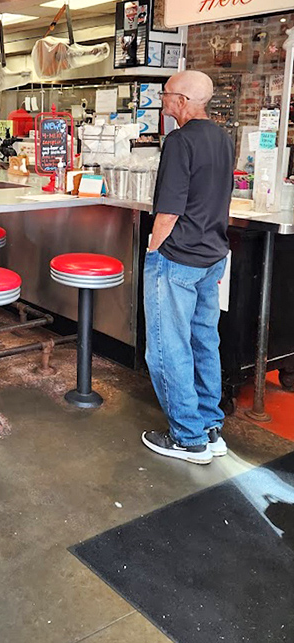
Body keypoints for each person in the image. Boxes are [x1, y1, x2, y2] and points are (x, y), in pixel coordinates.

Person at [142, 70, 234, 465]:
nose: (163, 100)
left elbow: (169, 209)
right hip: (213, 257)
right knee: (203, 341)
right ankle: (211, 428)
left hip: (177, 258)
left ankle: (186, 437)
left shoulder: (179, 141)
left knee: (166, 347)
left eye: (166, 94)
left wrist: (152, 249)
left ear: (182, 101)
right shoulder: (223, 138)